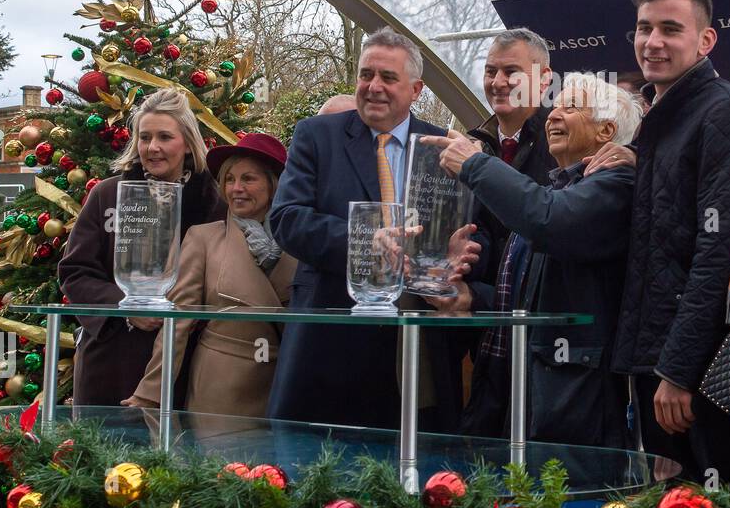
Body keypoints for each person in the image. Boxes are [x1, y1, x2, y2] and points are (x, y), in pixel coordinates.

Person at [266, 27, 478, 431]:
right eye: (366, 75)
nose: (373, 86)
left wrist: (452, 258)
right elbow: (286, 219)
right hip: (329, 347)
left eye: (388, 78)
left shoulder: (443, 146)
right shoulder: (317, 135)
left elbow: (461, 231)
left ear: (416, 89)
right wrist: (365, 239)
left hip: (415, 351)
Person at [610, 0, 730, 486]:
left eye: (670, 29)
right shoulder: (661, 118)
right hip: (656, 365)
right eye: (643, 28)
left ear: (706, 40)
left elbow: (718, 253)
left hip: (696, 376)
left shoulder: (726, 113)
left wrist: (678, 369)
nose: (652, 42)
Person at [424, 72, 642, 447]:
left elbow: (551, 221)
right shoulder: (557, 190)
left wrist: (476, 165)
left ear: (606, 131)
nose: (553, 115)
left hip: (572, 407)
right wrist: (472, 299)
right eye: (555, 105)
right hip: (515, 393)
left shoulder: (615, 188)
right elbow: (529, 303)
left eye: (570, 107)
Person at [59, 88, 226, 406]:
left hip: (184, 364)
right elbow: (75, 272)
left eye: (165, 137)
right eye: (144, 137)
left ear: (188, 143)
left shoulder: (213, 205)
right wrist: (127, 307)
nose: (153, 148)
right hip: (111, 360)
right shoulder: (107, 195)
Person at [125, 133, 296, 417]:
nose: (236, 188)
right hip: (222, 388)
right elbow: (178, 321)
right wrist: (151, 392)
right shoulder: (204, 239)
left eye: (248, 179)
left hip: (287, 384)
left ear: (273, 184)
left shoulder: (299, 243)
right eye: (229, 179)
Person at [455, 28, 558, 436]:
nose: (497, 83)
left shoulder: (566, 141)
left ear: (544, 79)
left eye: (511, 72)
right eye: (490, 71)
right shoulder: (469, 144)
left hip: (542, 338)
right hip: (478, 336)